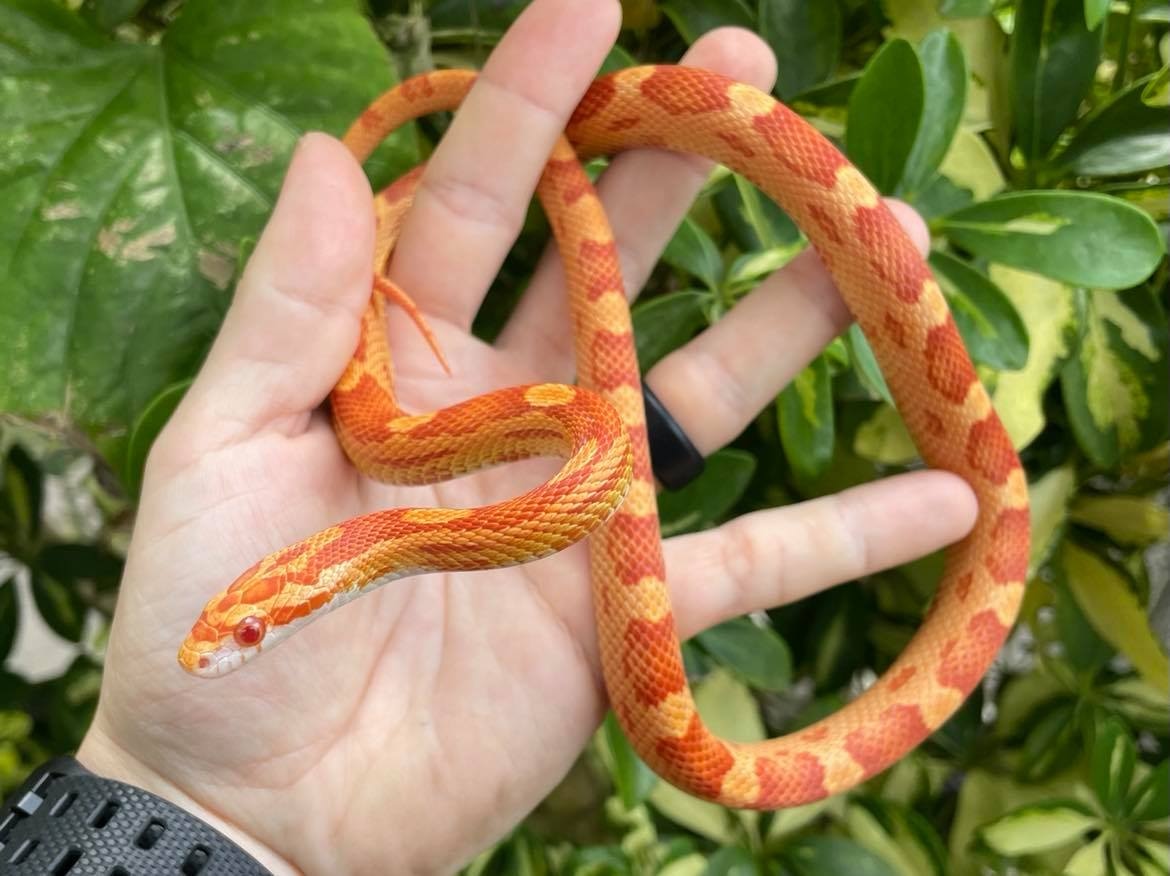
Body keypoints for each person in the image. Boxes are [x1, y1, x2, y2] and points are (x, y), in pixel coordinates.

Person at [10, 0, 977, 872]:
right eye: (250, 627)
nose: (227, 644)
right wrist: (188, 800)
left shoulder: (424, 507)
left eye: (250, 620)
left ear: (314, 578)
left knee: (978, 500)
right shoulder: (403, 509)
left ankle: (990, 498)